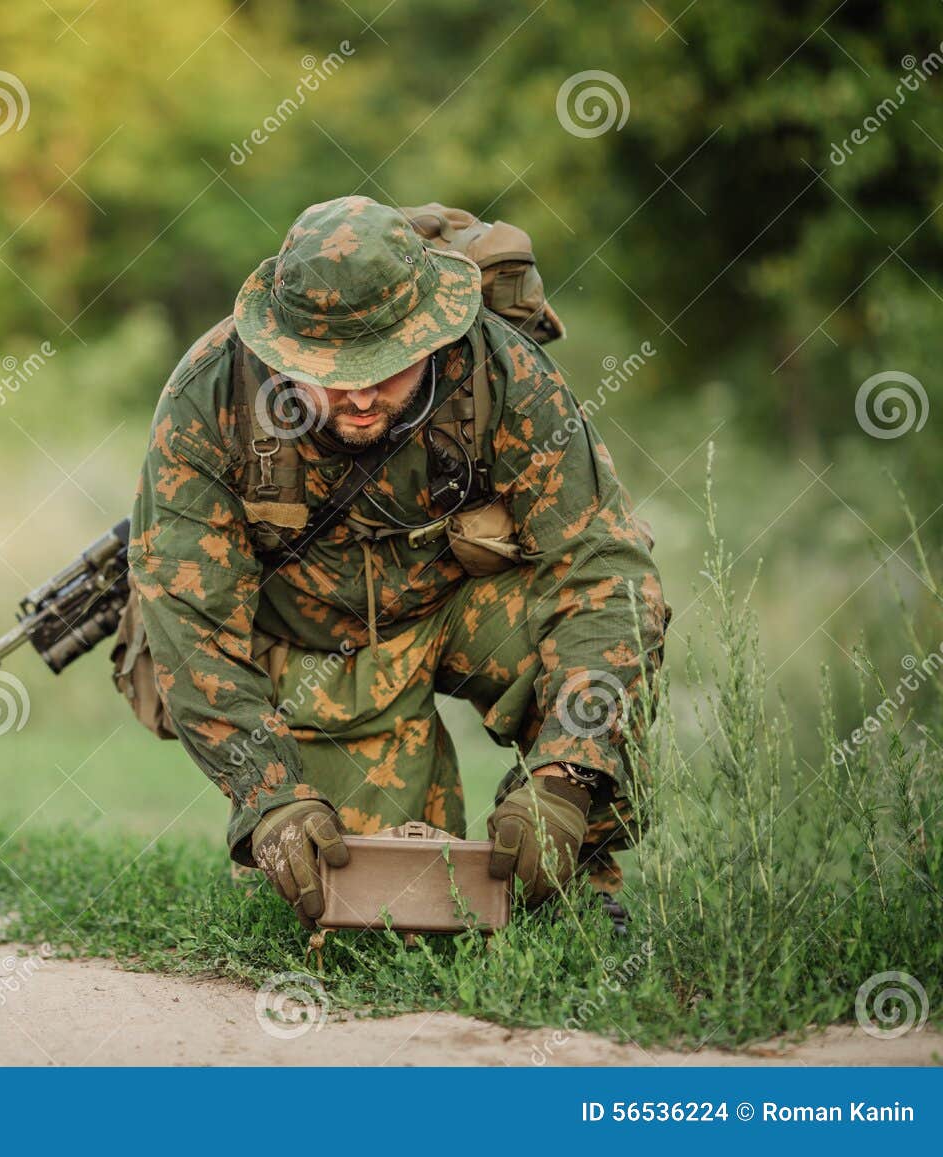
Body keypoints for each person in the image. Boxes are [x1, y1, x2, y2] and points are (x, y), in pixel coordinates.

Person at [122, 195, 667, 926]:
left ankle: (576, 882)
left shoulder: (504, 374)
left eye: (386, 365)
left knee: (571, 633)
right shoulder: (209, 397)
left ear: (431, 336)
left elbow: (606, 572)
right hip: (314, 659)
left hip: (458, 612)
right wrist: (269, 793)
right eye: (331, 370)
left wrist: (569, 776)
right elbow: (193, 628)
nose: (360, 395)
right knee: (374, 914)